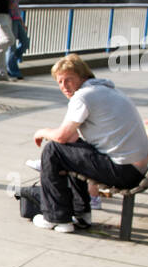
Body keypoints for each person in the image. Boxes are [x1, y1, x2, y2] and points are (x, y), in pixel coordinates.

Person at [30, 55, 148, 232]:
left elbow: (61, 136)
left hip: (124, 172)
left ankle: (56, 218)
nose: (64, 86)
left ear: (83, 76)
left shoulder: (84, 96)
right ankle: (81, 215)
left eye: (68, 79)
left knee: (52, 151)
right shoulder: (106, 90)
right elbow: (70, 139)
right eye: (60, 82)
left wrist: (42, 131)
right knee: (70, 149)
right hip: (134, 169)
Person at [4, 0, 29, 81]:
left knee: (25, 42)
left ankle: (11, 61)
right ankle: (13, 70)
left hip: (17, 18)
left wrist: (22, 22)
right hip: (10, 19)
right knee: (12, 46)